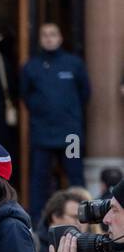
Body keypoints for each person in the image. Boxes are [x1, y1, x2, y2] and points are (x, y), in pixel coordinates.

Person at [21, 23, 90, 224]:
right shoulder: (31, 66)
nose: (49, 38)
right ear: (40, 39)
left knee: (75, 176)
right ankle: (36, 222)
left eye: (53, 34)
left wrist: (70, 113)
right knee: (39, 179)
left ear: (60, 38)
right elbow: (25, 95)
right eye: (45, 35)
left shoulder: (74, 64)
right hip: (42, 133)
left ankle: (85, 219)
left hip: (70, 134)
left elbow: (85, 93)